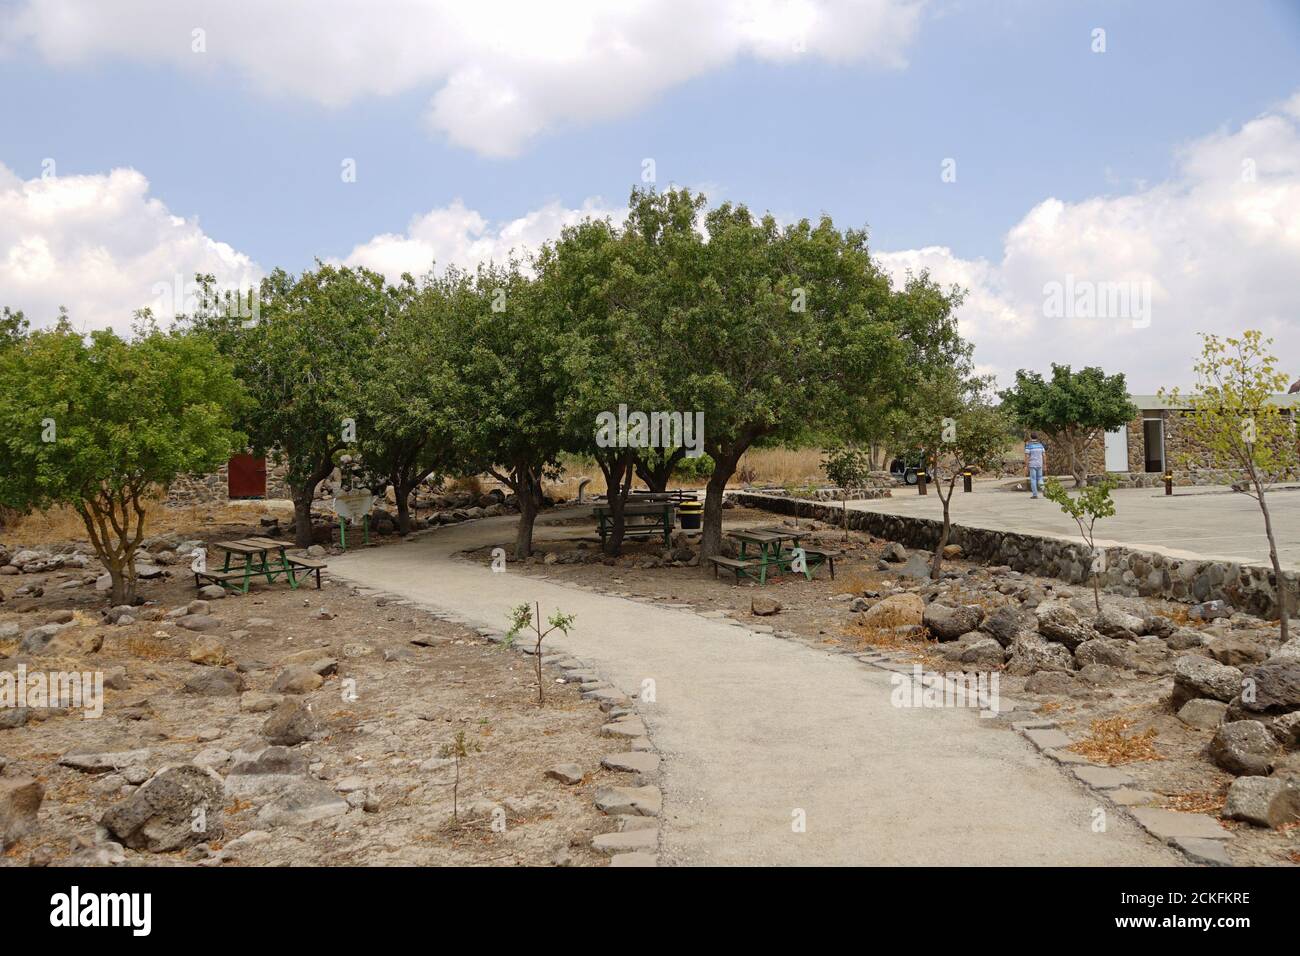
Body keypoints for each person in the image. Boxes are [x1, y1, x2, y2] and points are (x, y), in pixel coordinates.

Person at [1025, 433, 1046, 498]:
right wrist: (1045, 464)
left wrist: (1026, 465)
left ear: (1031, 437)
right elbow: (1044, 455)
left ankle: (1035, 495)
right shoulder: (1041, 446)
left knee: (1033, 479)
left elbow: (1027, 456)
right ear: (1037, 437)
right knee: (1040, 478)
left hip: (1032, 465)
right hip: (1040, 464)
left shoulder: (1029, 446)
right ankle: (1044, 490)